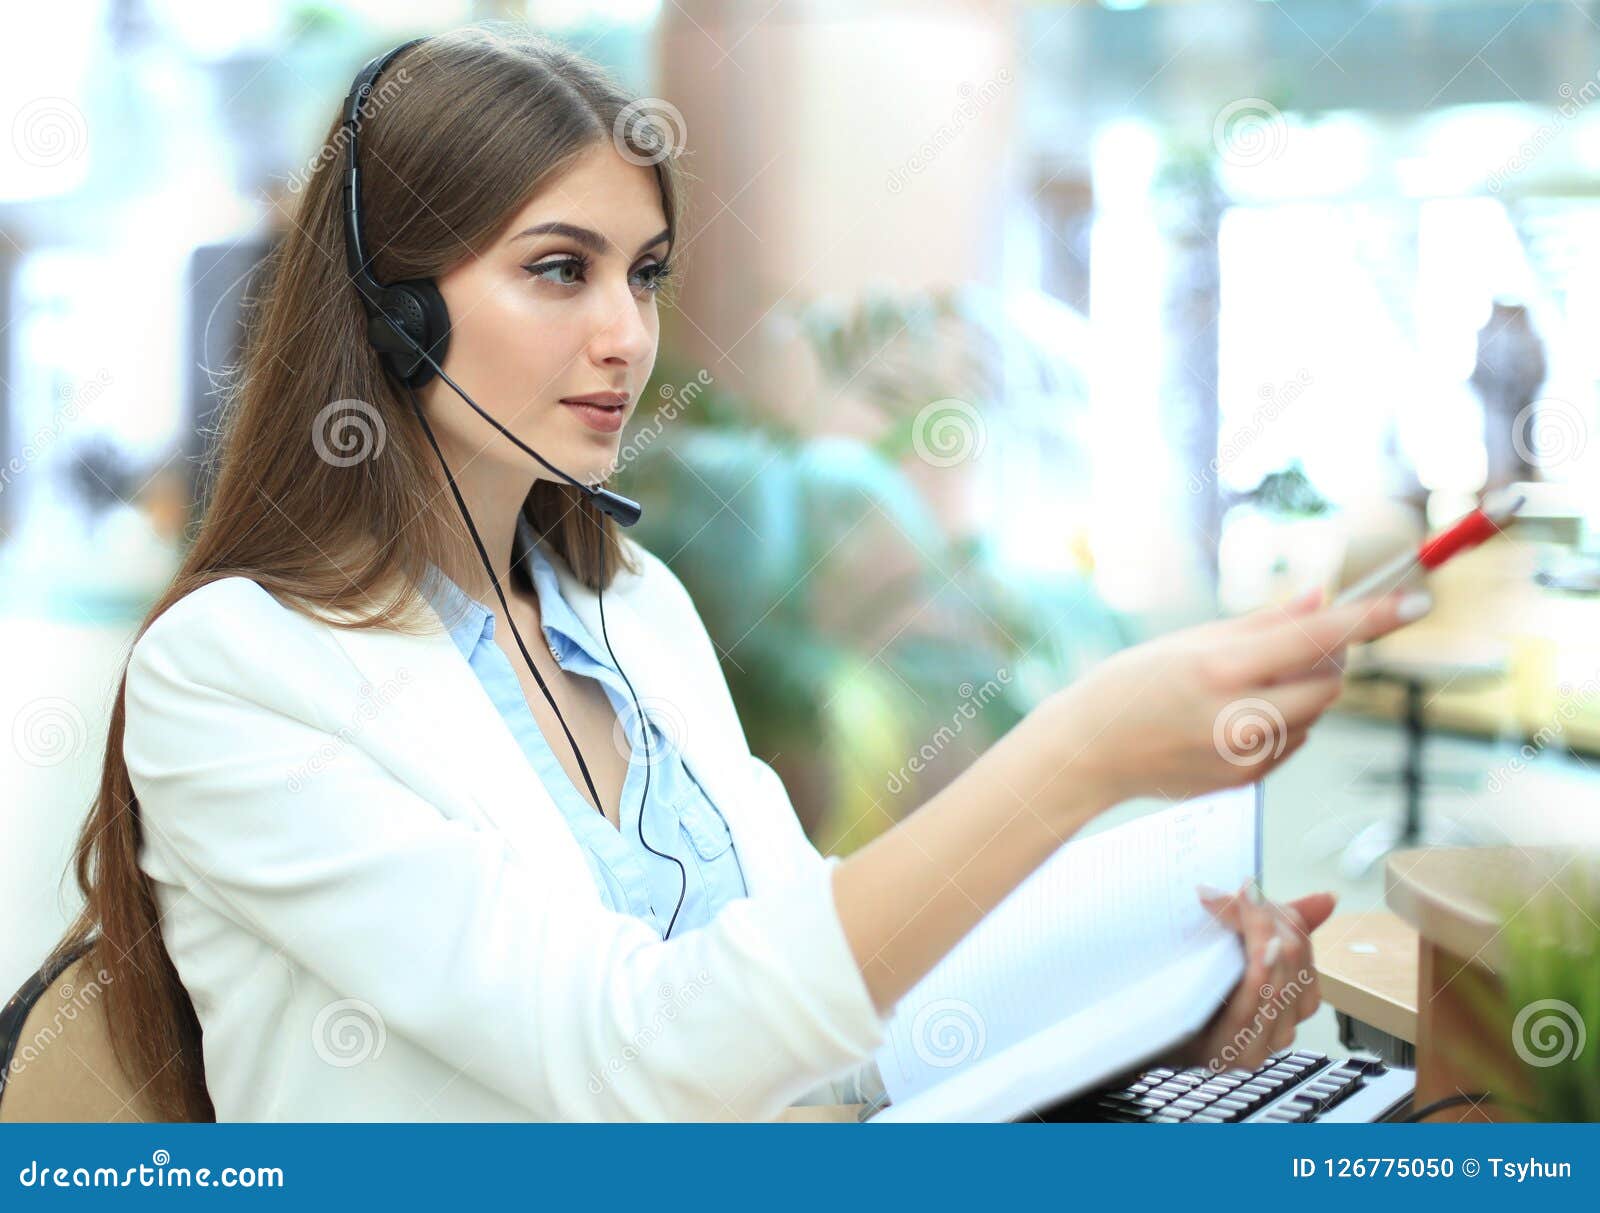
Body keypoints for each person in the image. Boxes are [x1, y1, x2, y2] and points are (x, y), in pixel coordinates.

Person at [55, 26, 1431, 1122]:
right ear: (392, 311)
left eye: (644, 274)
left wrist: (1144, 1012)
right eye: (559, 269)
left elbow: (812, 1002)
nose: (625, 335)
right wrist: (1073, 756)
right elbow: (632, 1057)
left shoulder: (627, 608)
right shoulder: (234, 669)